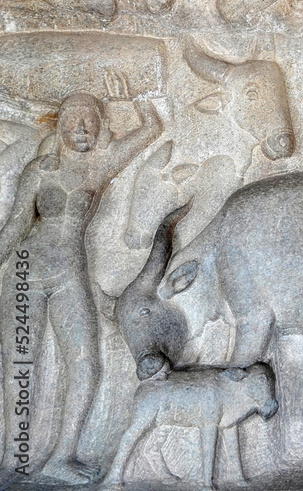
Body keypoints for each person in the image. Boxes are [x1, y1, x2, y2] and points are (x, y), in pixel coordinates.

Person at [0, 79, 161, 485]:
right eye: (74, 121)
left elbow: (151, 129)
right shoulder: (41, 170)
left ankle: (63, 455)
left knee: (86, 363)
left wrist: (135, 96)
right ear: (60, 129)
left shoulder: (99, 165)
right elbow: (16, 226)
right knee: (21, 363)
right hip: (26, 269)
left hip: (70, 271)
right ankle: (11, 458)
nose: (83, 129)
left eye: (90, 121)